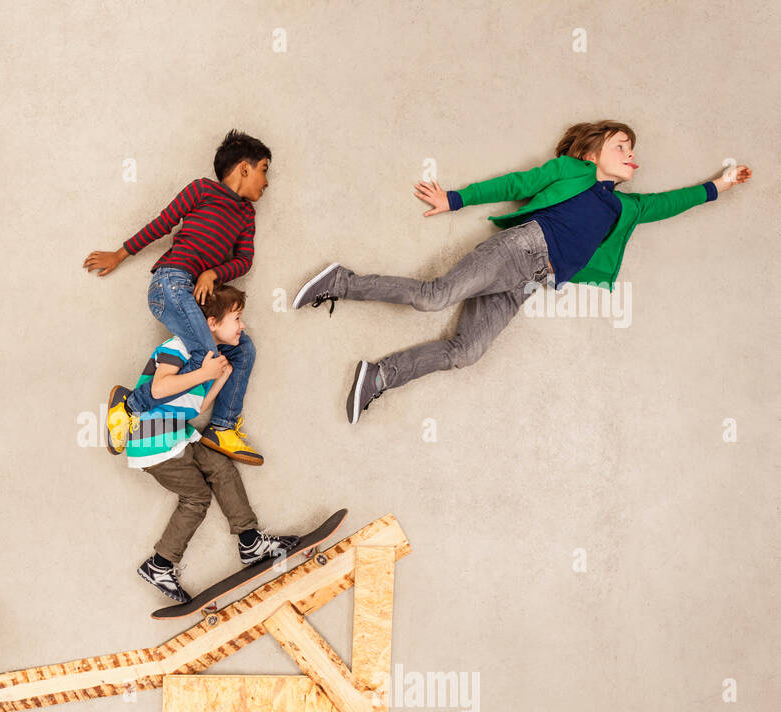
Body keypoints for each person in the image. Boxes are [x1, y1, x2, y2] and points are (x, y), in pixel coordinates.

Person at [291, 121, 752, 422]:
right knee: (434, 297)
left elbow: (671, 203)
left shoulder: (626, 207)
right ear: (593, 154)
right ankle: (340, 281)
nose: (633, 155)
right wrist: (455, 198)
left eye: (634, 151)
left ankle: (379, 375)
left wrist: (722, 185)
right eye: (622, 147)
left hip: (533, 280)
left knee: (467, 352)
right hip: (518, 250)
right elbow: (515, 183)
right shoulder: (573, 172)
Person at [85, 129, 271, 465]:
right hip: (170, 284)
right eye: (264, 169)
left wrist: (214, 273)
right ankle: (129, 407)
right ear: (244, 168)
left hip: (201, 298)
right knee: (206, 357)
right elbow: (162, 224)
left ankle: (222, 426)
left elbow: (245, 260)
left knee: (243, 348)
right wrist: (119, 254)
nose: (267, 181)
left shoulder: (247, 215)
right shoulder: (201, 190)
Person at [110, 285, 296, 603]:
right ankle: (160, 564)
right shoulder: (178, 346)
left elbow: (195, 408)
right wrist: (206, 373)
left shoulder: (209, 360)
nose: (243, 325)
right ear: (211, 323)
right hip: (153, 443)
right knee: (196, 498)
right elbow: (159, 388)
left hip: (178, 436)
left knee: (222, 467)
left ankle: (250, 542)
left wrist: (220, 377)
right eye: (236, 317)